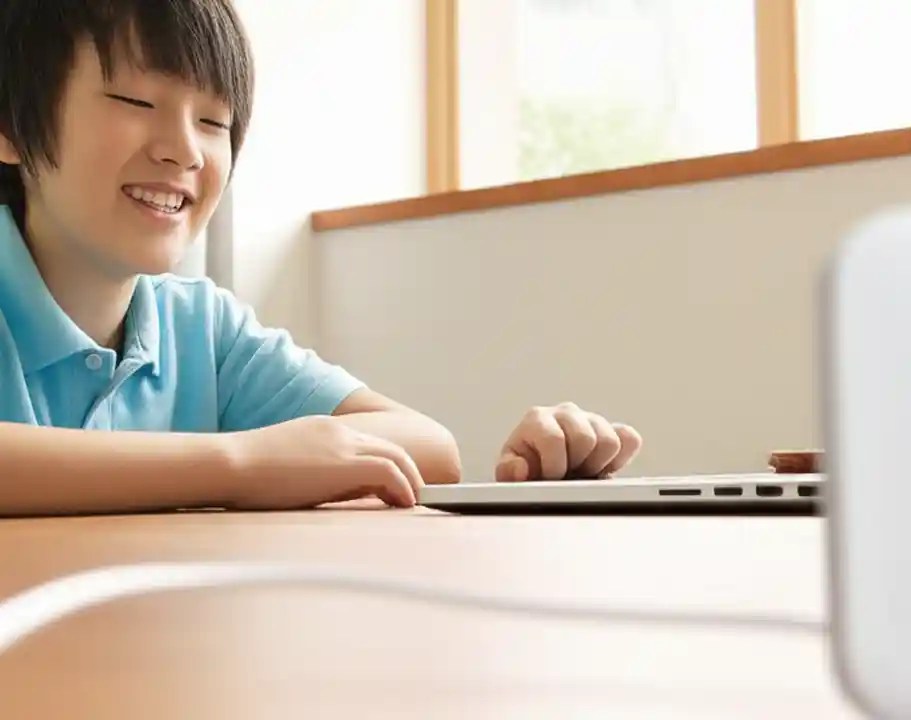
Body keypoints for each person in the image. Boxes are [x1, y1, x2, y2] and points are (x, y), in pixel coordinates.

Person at [0, 0, 642, 516]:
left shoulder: (203, 329)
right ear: (11, 128)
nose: (185, 151)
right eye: (137, 103)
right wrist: (242, 466)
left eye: (215, 123)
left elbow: (429, 449)